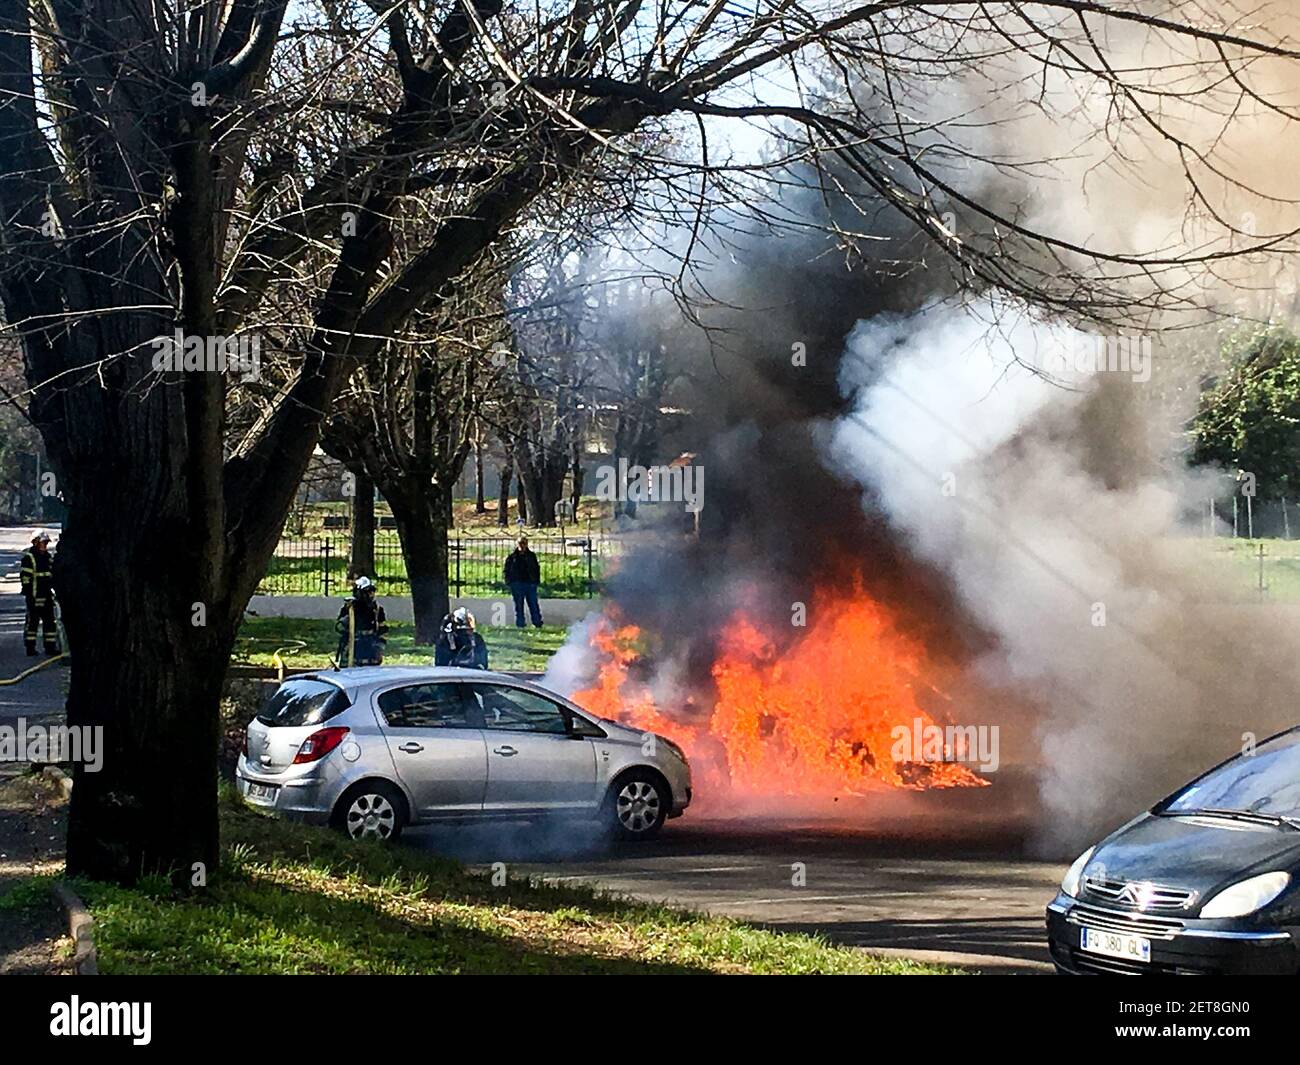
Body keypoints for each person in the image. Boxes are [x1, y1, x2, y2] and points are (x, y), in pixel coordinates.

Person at [20, 531, 59, 656]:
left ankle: (50, 648)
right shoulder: (29, 558)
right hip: (34, 596)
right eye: (43, 542)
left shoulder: (48, 557)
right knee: (33, 622)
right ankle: (30, 648)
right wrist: (30, 595)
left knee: (49, 623)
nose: (45, 545)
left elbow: (53, 575)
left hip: (47, 596)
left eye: (46, 543)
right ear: (36, 542)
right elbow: (26, 578)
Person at [336, 576, 388, 666]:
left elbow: (383, 631)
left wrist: (379, 649)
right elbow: (339, 627)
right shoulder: (350, 608)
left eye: (372, 592)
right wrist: (348, 618)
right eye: (367, 592)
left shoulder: (377, 610)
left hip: (371, 650)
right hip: (352, 650)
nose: (371, 595)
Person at [503, 535, 543, 628]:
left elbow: (536, 569)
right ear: (517, 544)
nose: (522, 545)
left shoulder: (531, 556)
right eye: (520, 543)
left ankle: (537, 623)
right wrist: (509, 582)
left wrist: (536, 581)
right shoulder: (512, 557)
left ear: (527, 544)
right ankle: (520, 624)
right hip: (517, 584)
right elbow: (507, 570)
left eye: (524, 543)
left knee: (533, 605)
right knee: (519, 606)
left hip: (530, 583)